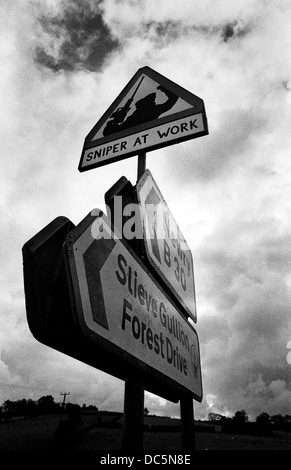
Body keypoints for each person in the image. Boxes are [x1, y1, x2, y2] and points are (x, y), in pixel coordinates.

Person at [103, 85, 178, 136]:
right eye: (153, 100)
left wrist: (165, 89)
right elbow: (108, 133)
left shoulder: (151, 110)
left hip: (145, 135)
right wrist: (115, 120)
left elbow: (172, 100)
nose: (155, 101)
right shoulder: (152, 110)